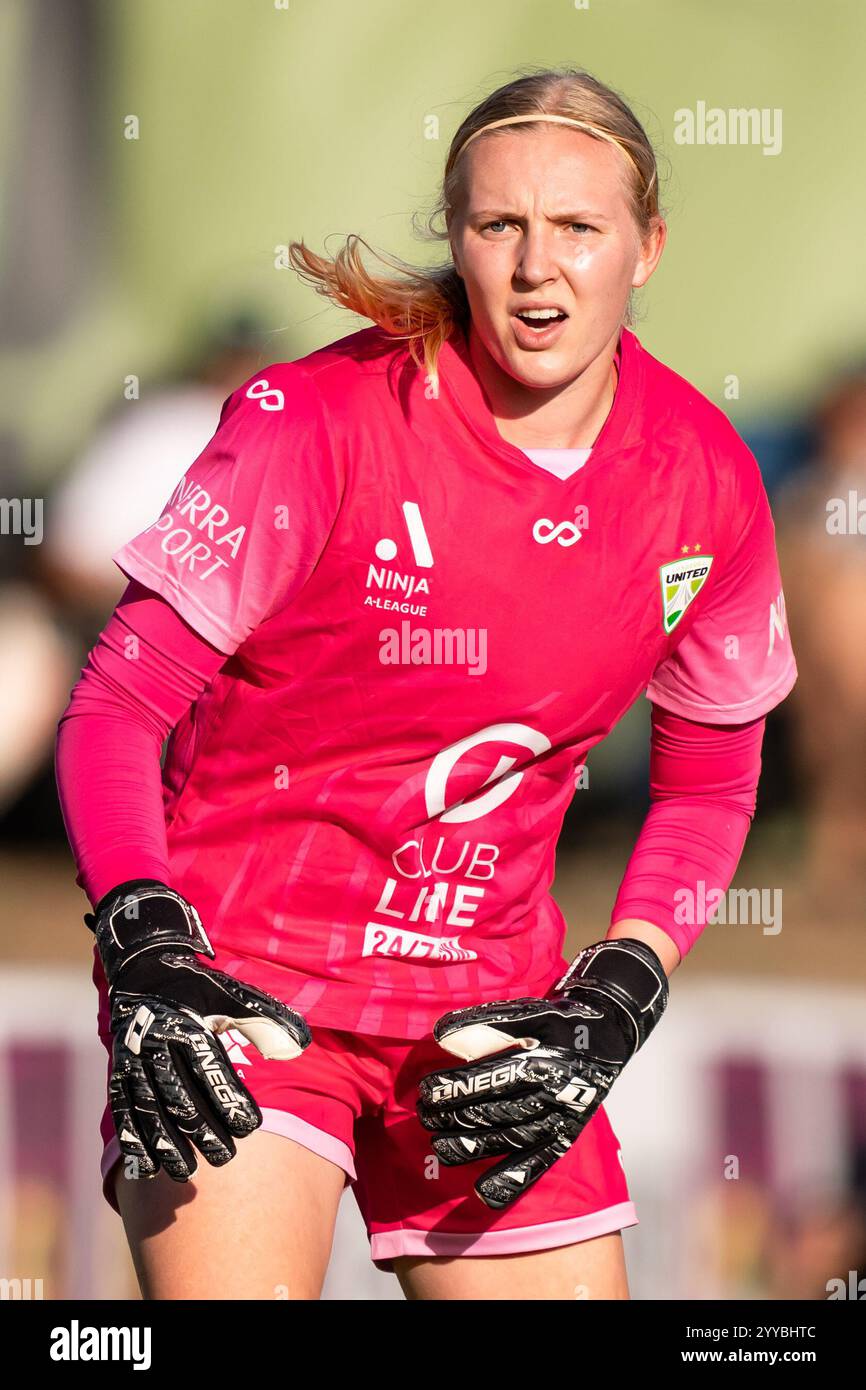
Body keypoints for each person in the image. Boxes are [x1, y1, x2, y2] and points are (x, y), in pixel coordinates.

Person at [55, 67, 797, 1301]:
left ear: (647, 246)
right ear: (454, 233)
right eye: (497, 224)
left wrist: (620, 985)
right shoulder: (319, 418)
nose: (534, 267)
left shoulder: (703, 478)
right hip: (239, 977)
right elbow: (114, 708)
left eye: (577, 228)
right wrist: (140, 934)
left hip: (485, 1012)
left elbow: (710, 781)